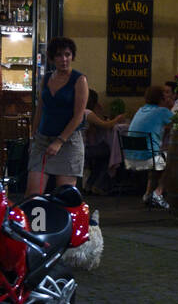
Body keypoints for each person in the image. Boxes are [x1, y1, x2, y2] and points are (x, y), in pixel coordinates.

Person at [26, 38, 88, 197]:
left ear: (73, 56)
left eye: (67, 54)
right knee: (33, 195)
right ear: (52, 58)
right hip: (42, 140)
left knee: (65, 196)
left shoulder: (79, 79)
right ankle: (34, 223)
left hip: (68, 143)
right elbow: (40, 108)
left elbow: (78, 116)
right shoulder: (46, 78)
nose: (64, 59)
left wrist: (59, 141)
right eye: (59, 55)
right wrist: (33, 136)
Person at [127, 84, 174, 207]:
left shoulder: (141, 109)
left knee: (156, 156)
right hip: (147, 159)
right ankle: (158, 192)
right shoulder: (162, 111)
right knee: (174, 160)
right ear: (161, 99)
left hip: (129, 158)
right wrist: (170, 107)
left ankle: (148, 194)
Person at [82, 89, 125, 195]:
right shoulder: (87, 113)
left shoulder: (81, 111)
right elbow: (106, 125)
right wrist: (117, 119)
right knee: (109, 152)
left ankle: (91, 184)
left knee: (103, 155)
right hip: (84, 149)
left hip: (84, 148)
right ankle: (99, 185)